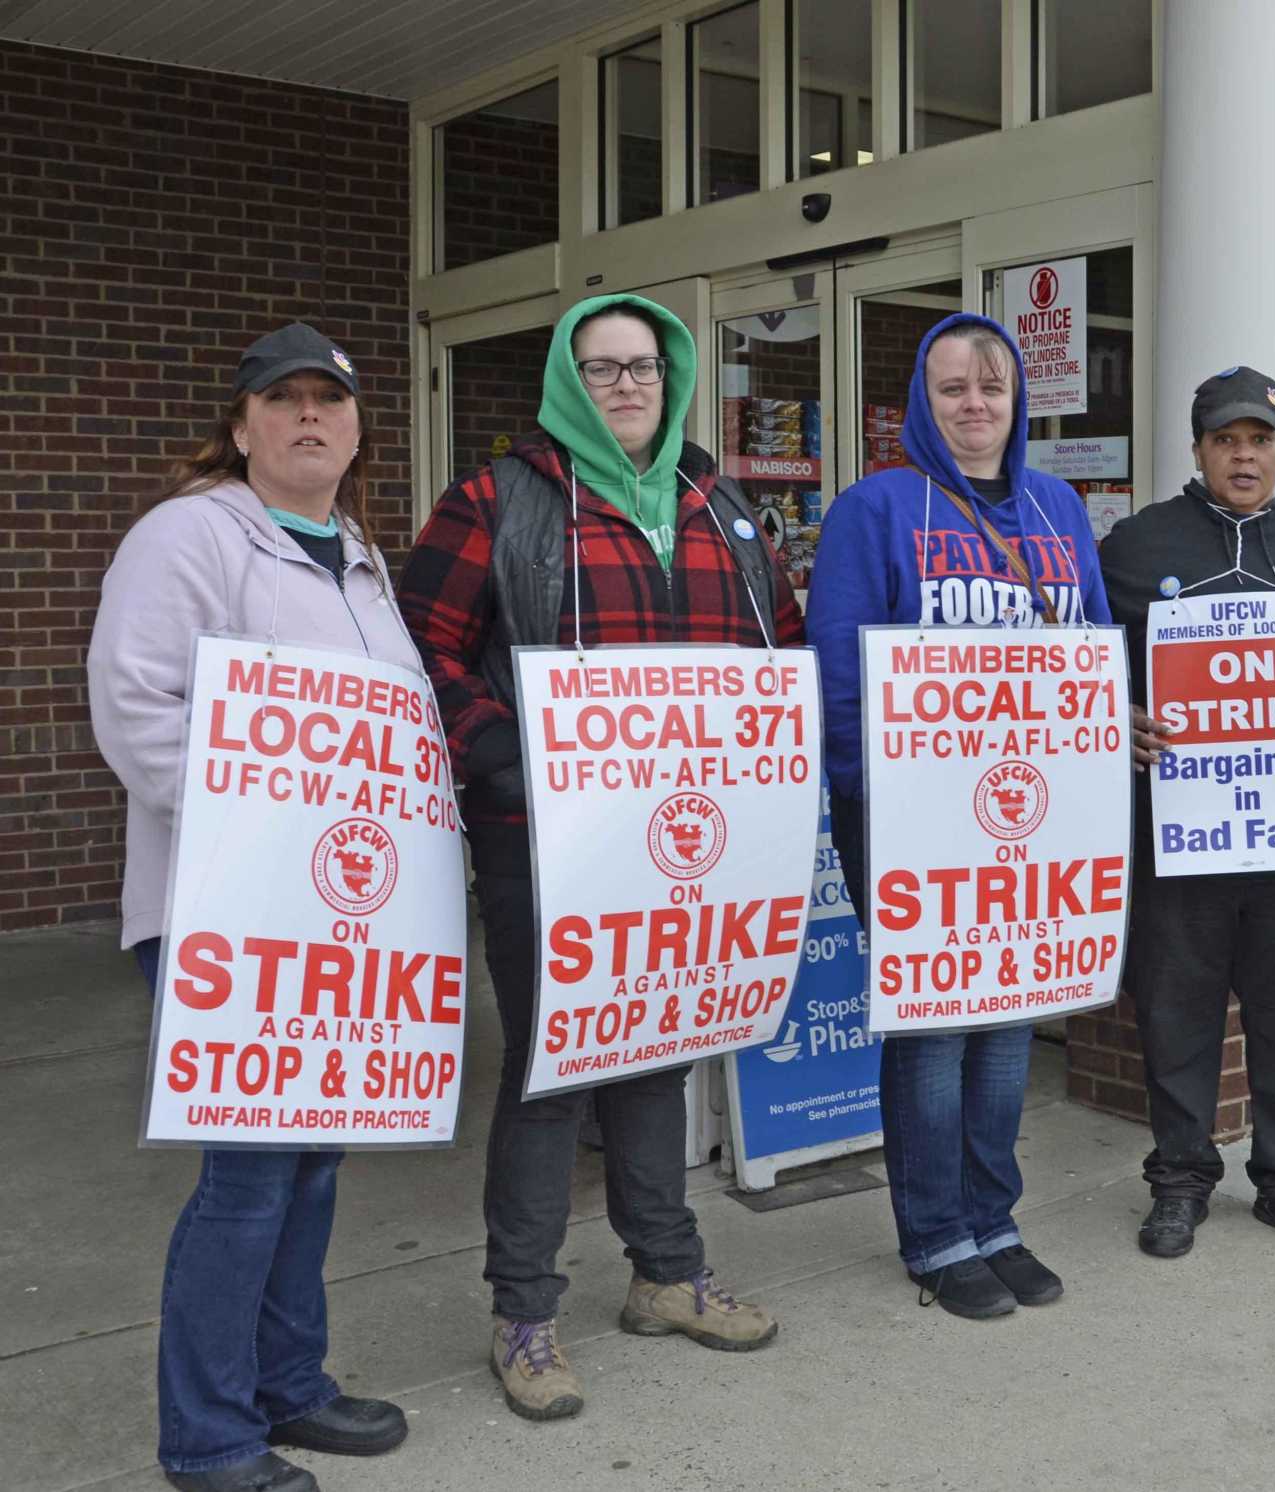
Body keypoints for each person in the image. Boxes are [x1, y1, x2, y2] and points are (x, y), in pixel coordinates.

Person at [399, 294, 801, 1420]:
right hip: (547, 841)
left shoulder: (718, 504)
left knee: (661, 1053)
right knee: (550, 1067)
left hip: (690, 847)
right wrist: (495, 753)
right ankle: (524, 1313)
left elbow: (783, 645)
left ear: (670, 380)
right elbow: (422, 643)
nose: (626, 385)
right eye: (602, 368)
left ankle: (665, 1275)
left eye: (643, 367)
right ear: (568, 383)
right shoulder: (499, 497)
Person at [89, 323, 411, 1492]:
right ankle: (210, 1435)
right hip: (216, 908)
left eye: (331, 399)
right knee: (253, 1166)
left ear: (358, 428)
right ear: (240, 427)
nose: (309, 416)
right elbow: (136, 711)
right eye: (283, 400)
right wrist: (268, 831)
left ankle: (290, 1382)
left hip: (332, 920)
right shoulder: (187, 536)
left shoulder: (359, 558)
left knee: (312, 1158)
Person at [807, 313, 1110, 1319]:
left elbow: (1090, 646)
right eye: (951, 389)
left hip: (1031, 820)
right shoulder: (875, 508)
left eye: (991, 386)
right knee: (936, 1028)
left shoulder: (1058, 508)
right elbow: (838, 671)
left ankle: (995, 1217)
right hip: (911, 823)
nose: (974, 405)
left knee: (1013, 1018)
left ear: (1018, 397)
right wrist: (866, 799)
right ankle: (935, 1233)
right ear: (920, 403)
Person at [1097, 365, 1275, 1259]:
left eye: (1259, 439)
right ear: (1199, 449)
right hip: (1181, 838)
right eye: (1226, 439)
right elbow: (1083, 666)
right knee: (1177, 1018)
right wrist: (1114, 717)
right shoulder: (1137, 546)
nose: (1243, 454)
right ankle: (1179, 1180)